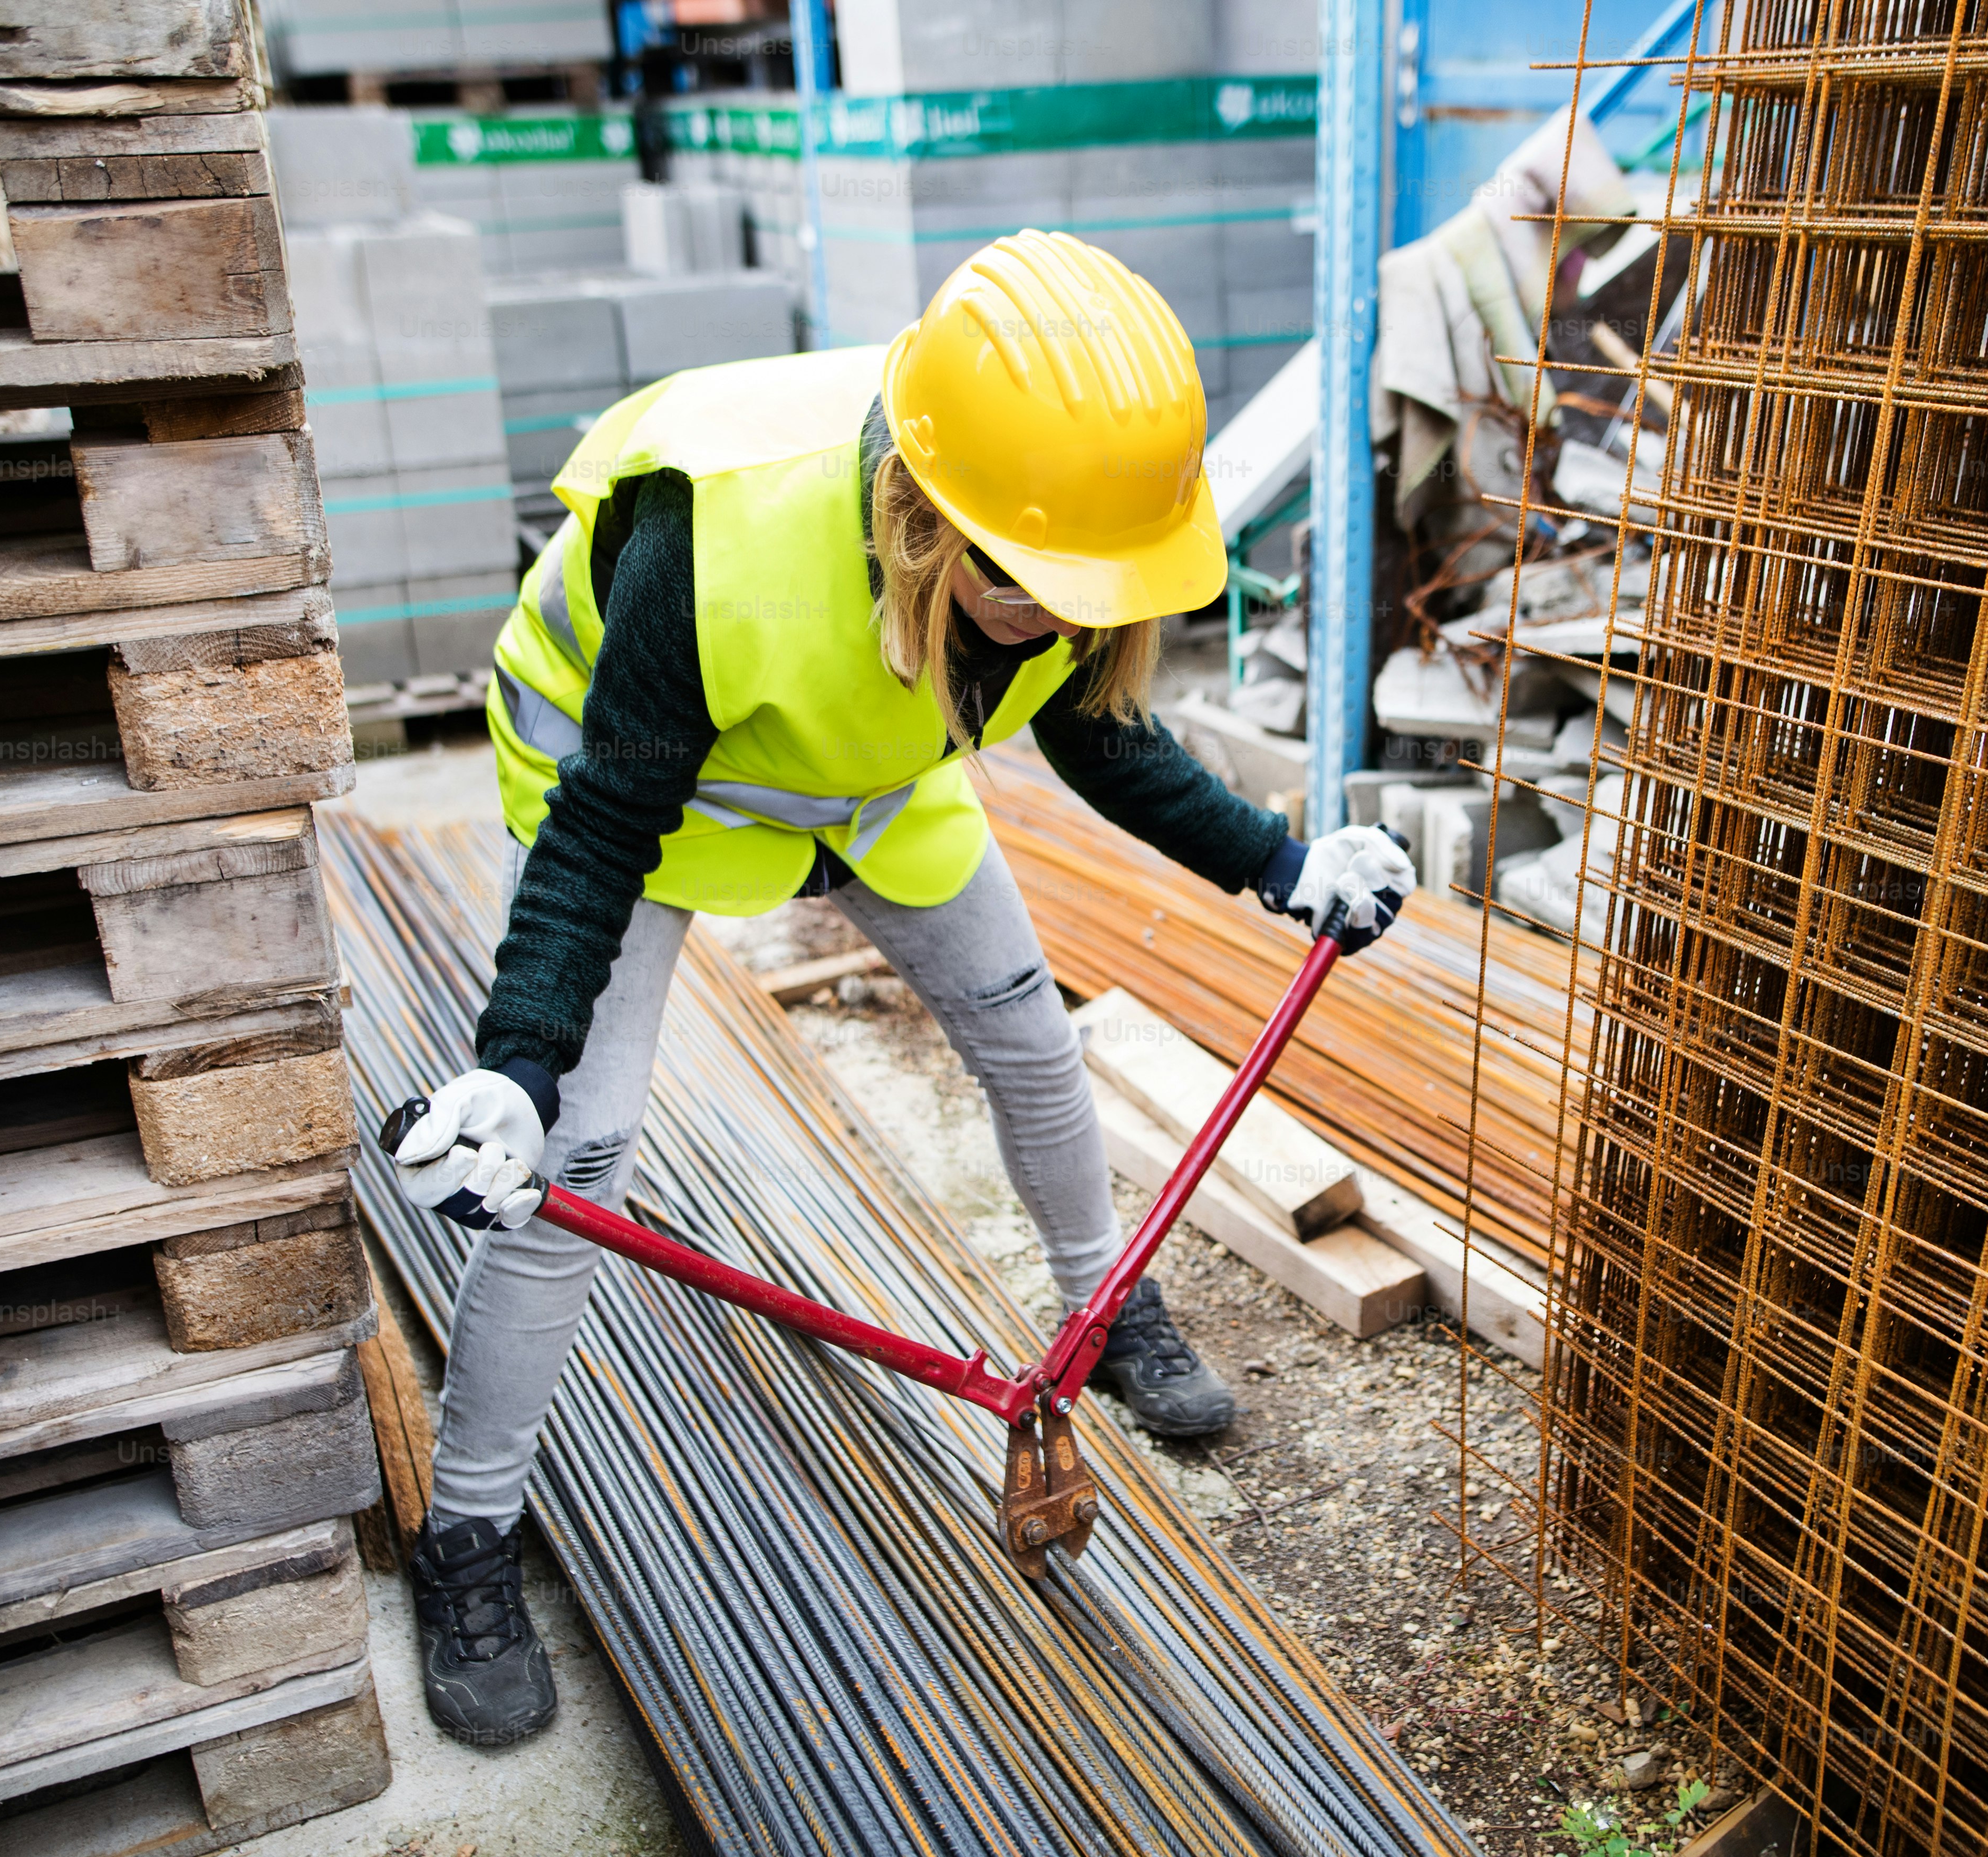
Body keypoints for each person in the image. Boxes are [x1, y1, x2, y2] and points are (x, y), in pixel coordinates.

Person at [385, 231, 1414, 1746]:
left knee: (1025, 1033)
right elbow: (610, 818)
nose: (1061, 620)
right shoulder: (716, 530)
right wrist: (514, 1065)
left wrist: (1283, 864)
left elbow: (1103, 740)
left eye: (1087, 595)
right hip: (641, 779)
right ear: (919, 512)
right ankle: (463, 1533)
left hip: (866, 756)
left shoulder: (1041, 546)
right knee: (573, 1164)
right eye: (1031, 588)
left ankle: (1108, 1308)